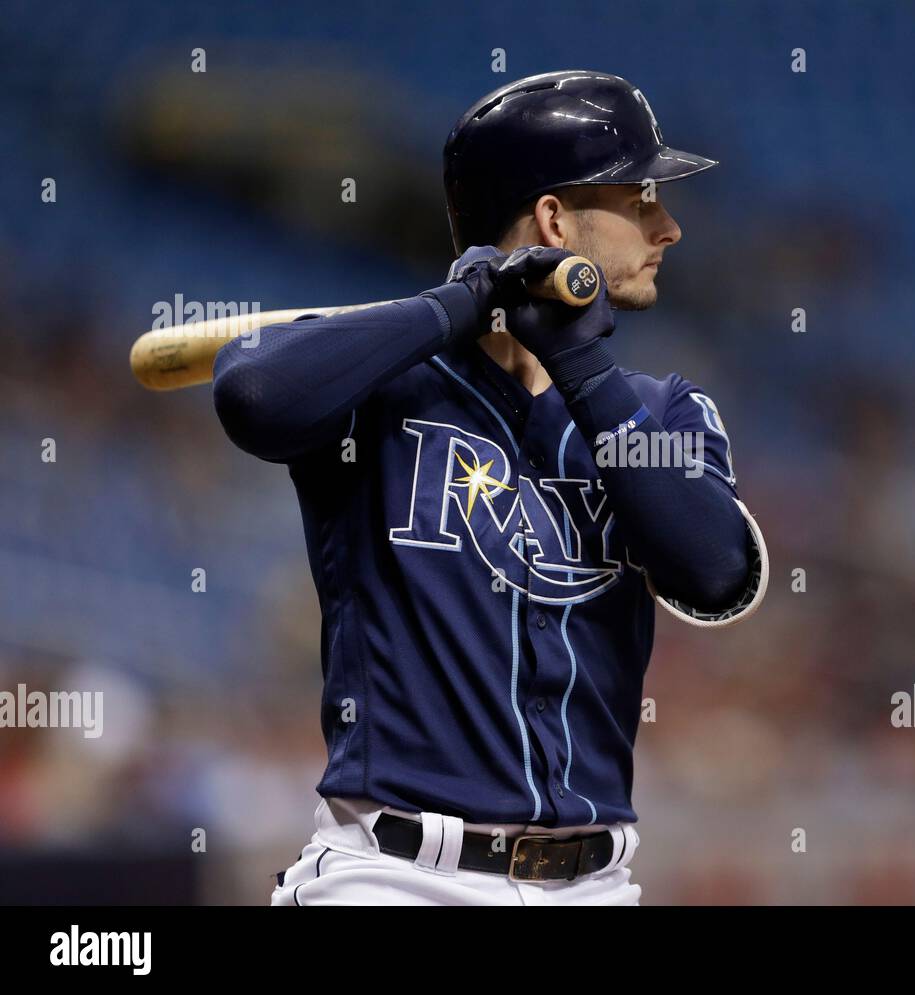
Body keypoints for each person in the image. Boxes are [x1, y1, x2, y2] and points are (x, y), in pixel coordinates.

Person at [212, 70, 768, 906]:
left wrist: (582, 365)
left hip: (594, 883)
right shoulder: (381, 382)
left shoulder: (660, 410)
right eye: (641, 199)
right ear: (554, 219)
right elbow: (254, 396)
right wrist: (462, 305)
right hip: (394, 876)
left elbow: (716, 570)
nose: (670, 226)